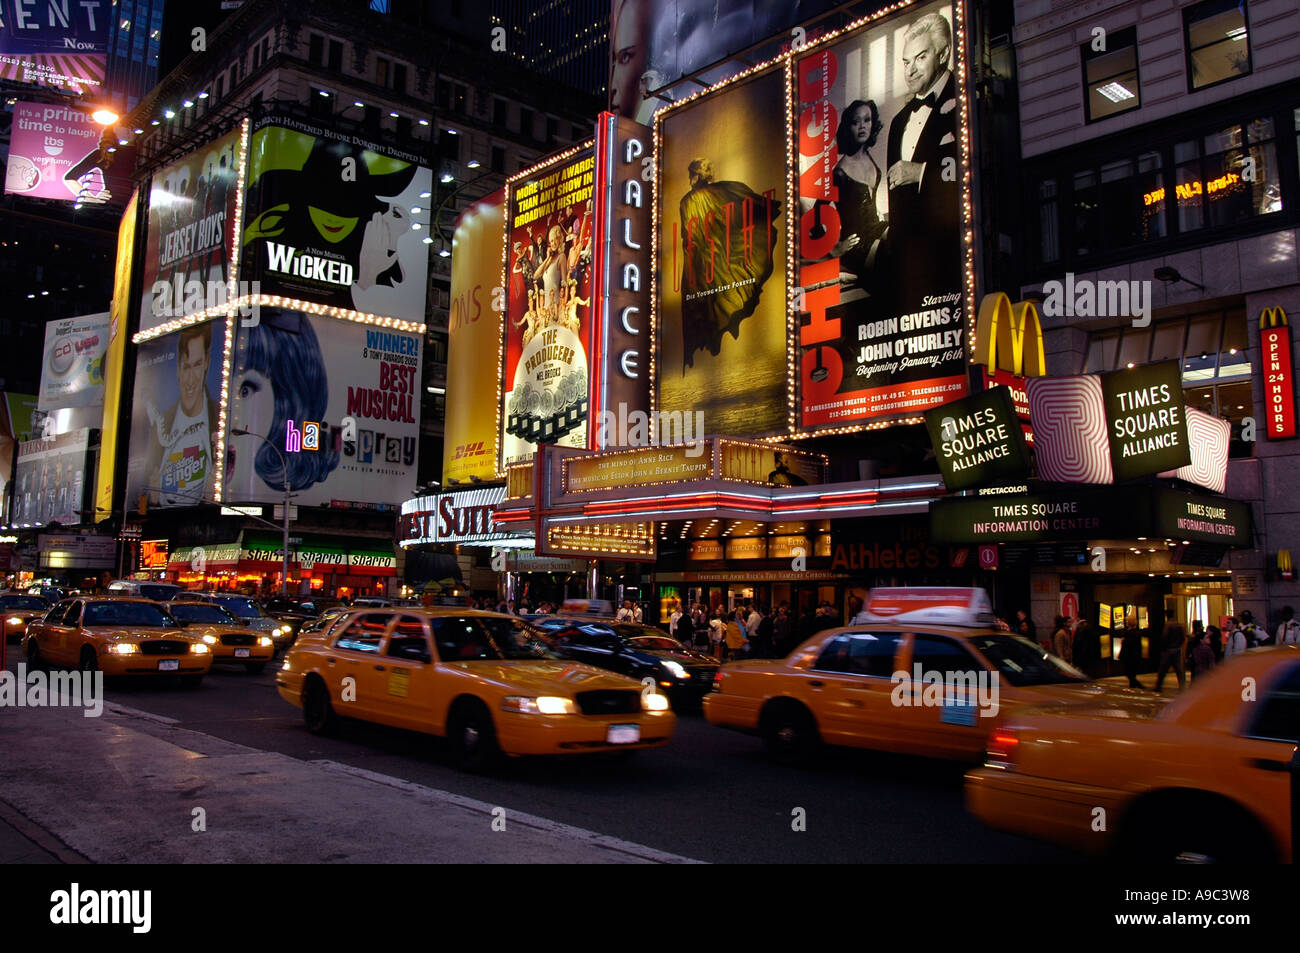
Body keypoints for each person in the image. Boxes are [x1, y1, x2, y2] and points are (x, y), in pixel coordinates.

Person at [884, 11, 961, 315]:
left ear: (943, 54)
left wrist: (920, 173)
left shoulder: (965, 99)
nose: (911, 70)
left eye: (920, 58)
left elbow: (969, 175)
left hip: (950, 268)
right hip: (906, 275)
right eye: (906, 62)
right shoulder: (898, 121)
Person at [676, 157, 781, 371]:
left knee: (704, 309)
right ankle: (717, 343)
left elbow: (688, 237)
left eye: (692, 175)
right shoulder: (726, 190)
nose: (690, 180)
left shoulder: (688, 201)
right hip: (719, 260)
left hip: (704, 264)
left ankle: (711, 347)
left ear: (698, 175)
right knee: (718, 304)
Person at [144, 322, 220, 506]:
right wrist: (152, 498)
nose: (190, 379)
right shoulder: (161, 425)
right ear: (178, 368)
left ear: (206, 364)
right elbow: (144, 494)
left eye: (197, 365)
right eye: (186, 367)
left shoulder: (221, 419)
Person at [823, 100, 889, 296]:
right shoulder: (839, 173)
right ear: (848, 127)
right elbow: (816, 218)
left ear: (872, 124)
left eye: (867, 120)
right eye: (855, 122)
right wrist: (835, 248)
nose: (862, 126)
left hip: (877, 231)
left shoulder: (869, 158)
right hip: (857, 245)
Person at [1154, 609, 1187, 692]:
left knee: (1163, 669)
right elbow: (1183, 638)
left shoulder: (1167, 625)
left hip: (1168, 650)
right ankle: (1182, 686)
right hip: (1177, 649)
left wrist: (1163, 648)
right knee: (1179, 670)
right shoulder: (1179, 625)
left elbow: (1164, 637)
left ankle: (1158, 686)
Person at [1120, 615, 1143, 689]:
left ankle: (1138, 685)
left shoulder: (1129, 633)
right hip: (1135, 655)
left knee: (1128, 672)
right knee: (1132, 673)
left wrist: (1124, 641)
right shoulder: (1137, 633)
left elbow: (1129, 644)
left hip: (1129, 655)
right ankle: (1133, 686)